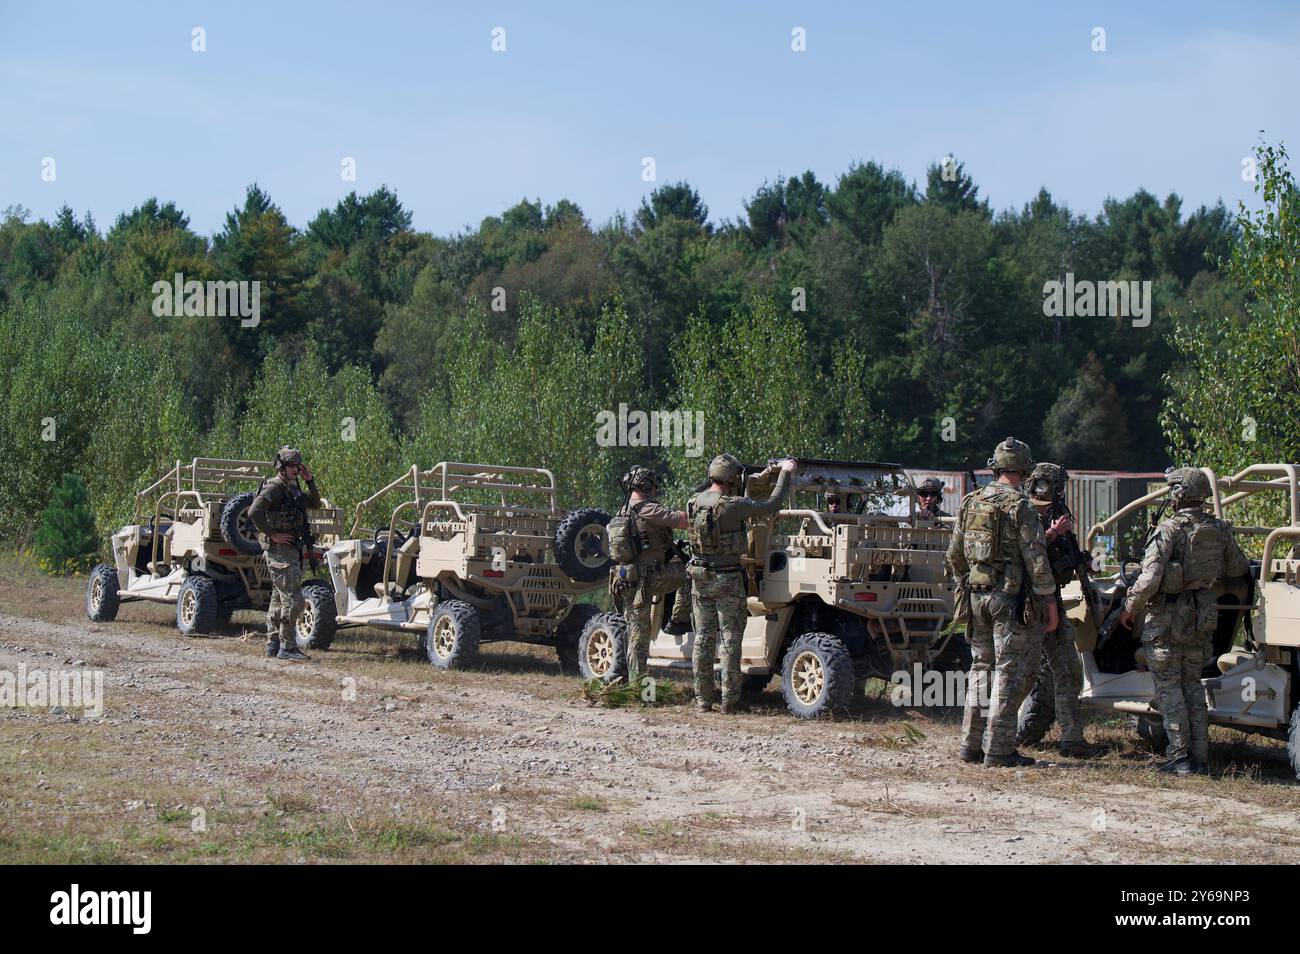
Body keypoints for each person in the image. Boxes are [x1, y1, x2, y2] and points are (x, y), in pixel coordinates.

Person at [1118, 467, 1249, 775]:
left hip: (1166, 617)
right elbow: (1238, 567)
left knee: (1168, 687)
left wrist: (1130, 607)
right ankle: (1200, 758)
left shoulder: (1169, 530)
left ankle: (1180, 758)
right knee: (1193, 686)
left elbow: (1149, 579)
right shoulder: (1219, 529)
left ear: (1179, 494)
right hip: (1202, 615)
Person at [945, 437, 1057, 767]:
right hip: (1008, 601)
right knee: (1010, 673)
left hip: (976, 597)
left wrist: (966, 585)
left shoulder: (970, 501)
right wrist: (1048, 602)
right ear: (1025, 468)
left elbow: (954, 556)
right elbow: (1036, 560)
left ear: (996, 466)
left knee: (980, 669)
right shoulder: (1020, 506)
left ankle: (970, 745)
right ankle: (998, 748)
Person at [687, 455, 795, 713]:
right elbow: (772, 504)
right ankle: (729, 700)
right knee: (730, 640)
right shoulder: (733, 505)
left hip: (700, 578)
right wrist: (785, 473)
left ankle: (703, 700)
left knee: (702, 639)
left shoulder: (693, 501)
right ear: (731, 478)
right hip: (728, 579)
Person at [1014, 463, 1095, 757]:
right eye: (1054, 485)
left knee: (1069, 670)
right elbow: (1025, 557)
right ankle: (999, 735)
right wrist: (1051, 533)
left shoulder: (1055, 515)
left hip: (1053, 604)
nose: (1059, 492)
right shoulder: (1023, 513)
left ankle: (1072, 740)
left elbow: (1058, 556)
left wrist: (1081, 561)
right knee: (1023, 675)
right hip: (1029, 606)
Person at [611, 466, 691, 685]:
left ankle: (631, 678)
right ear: (645, 485)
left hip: (625, 579)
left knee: (635, 628)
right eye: (653, 485)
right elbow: (682, 521)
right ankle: (678, 619)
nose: (655, 490)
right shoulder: (648, 509)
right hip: (649, 579)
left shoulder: (623, 511)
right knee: (693, 572)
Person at [248, 447, 322, 661]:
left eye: (298, 466)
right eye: (291, 466)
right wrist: (273, 535)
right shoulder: (274, 488)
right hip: (279, 551)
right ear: (281, 466)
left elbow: (315, 503)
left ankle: (273, 643)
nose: (296, 470)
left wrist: (310, 481)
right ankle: (288, 646)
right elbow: (254, 512)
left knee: (278, 600)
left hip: (290, 550)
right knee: (295, 601)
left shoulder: (291, 488)